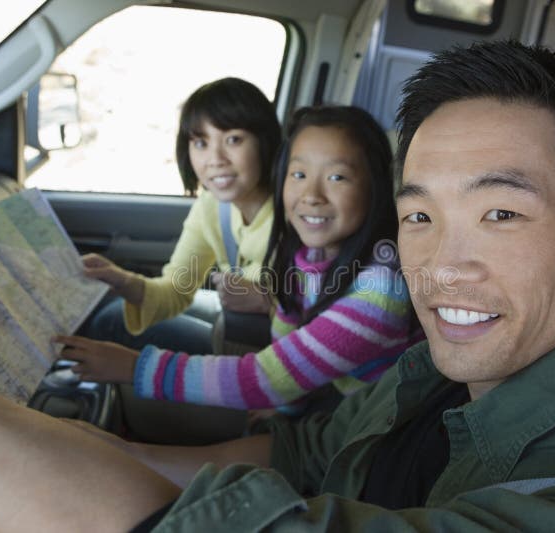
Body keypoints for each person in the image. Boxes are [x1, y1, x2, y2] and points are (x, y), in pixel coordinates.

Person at [0, 41, 555, 532]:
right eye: (420, 218)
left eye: (502, 212)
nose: (442, 267)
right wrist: (108, 449)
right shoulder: (432, 375)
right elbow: (303, 448)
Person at [56, 105, 421, 414]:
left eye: (338, 177)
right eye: (299, 174)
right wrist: (281, 415)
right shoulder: (304, 255)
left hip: (357, 436)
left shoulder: (379, 292)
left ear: (375, 187)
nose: (312, 194)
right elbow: (284, 340)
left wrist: (132, 366)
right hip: (321, 409)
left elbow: (264, 378)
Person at [81, 77, 281, 355]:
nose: (215, 159)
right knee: (107, 308)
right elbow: (176, 290)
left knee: (111, 323)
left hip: (283, 351)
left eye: (233, 140)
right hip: (242, 326)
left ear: (264, 141)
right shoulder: (213, 206)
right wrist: (121, 280)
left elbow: (336, 316)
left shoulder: (298, 210)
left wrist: (267, 303)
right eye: (201, 143)